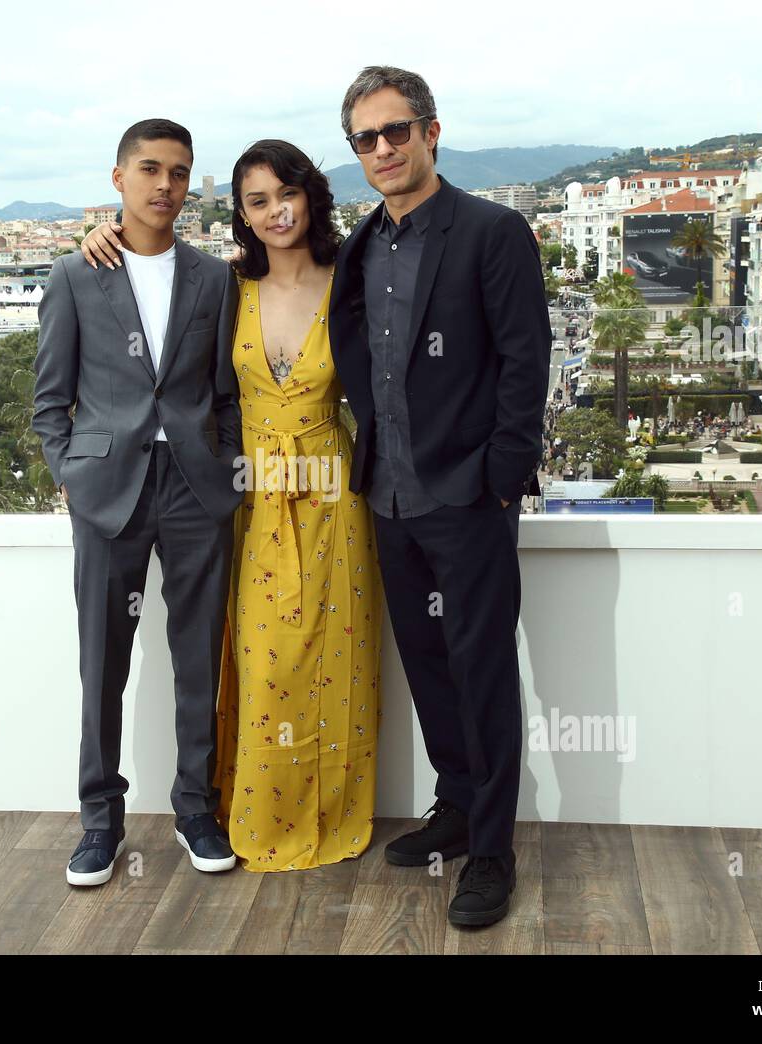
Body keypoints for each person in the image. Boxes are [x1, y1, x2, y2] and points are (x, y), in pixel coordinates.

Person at [81, 140, 384, 872]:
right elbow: (174, 352)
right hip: (246, 502)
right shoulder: (227, 286)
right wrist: (99, 232)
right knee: (260, 662)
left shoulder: (354, 282)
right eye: (257, 200)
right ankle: (240, 810)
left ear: (310, 195)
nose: (276, 210)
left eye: (288, 192)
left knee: (336, 662)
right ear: (242, 215)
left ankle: (332, 810)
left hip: (333, 497)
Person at [328, 66, 550, 927]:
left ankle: (492, 851)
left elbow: (526, 364)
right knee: (427, 665)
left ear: (430, 132)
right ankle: (455, 810)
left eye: (395, 132)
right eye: (365, 140)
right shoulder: (361, 243)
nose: (382, 149)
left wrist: (500, 481)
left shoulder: (493, 232)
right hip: (386, 498)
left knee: (483, 671)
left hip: (468, 501)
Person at [32, 118, 244, 887]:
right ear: (118, 178)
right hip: (107, 491)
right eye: (150, 169)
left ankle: (196, 807)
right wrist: (73, 473)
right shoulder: (75, 275)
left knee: (198, 658)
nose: (165, 185)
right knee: (103, 663)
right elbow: (49, 400)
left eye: (180, 173)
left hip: (194, 489)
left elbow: (225, 397)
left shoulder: (213, 278)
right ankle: (99, 821)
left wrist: (227, 469)